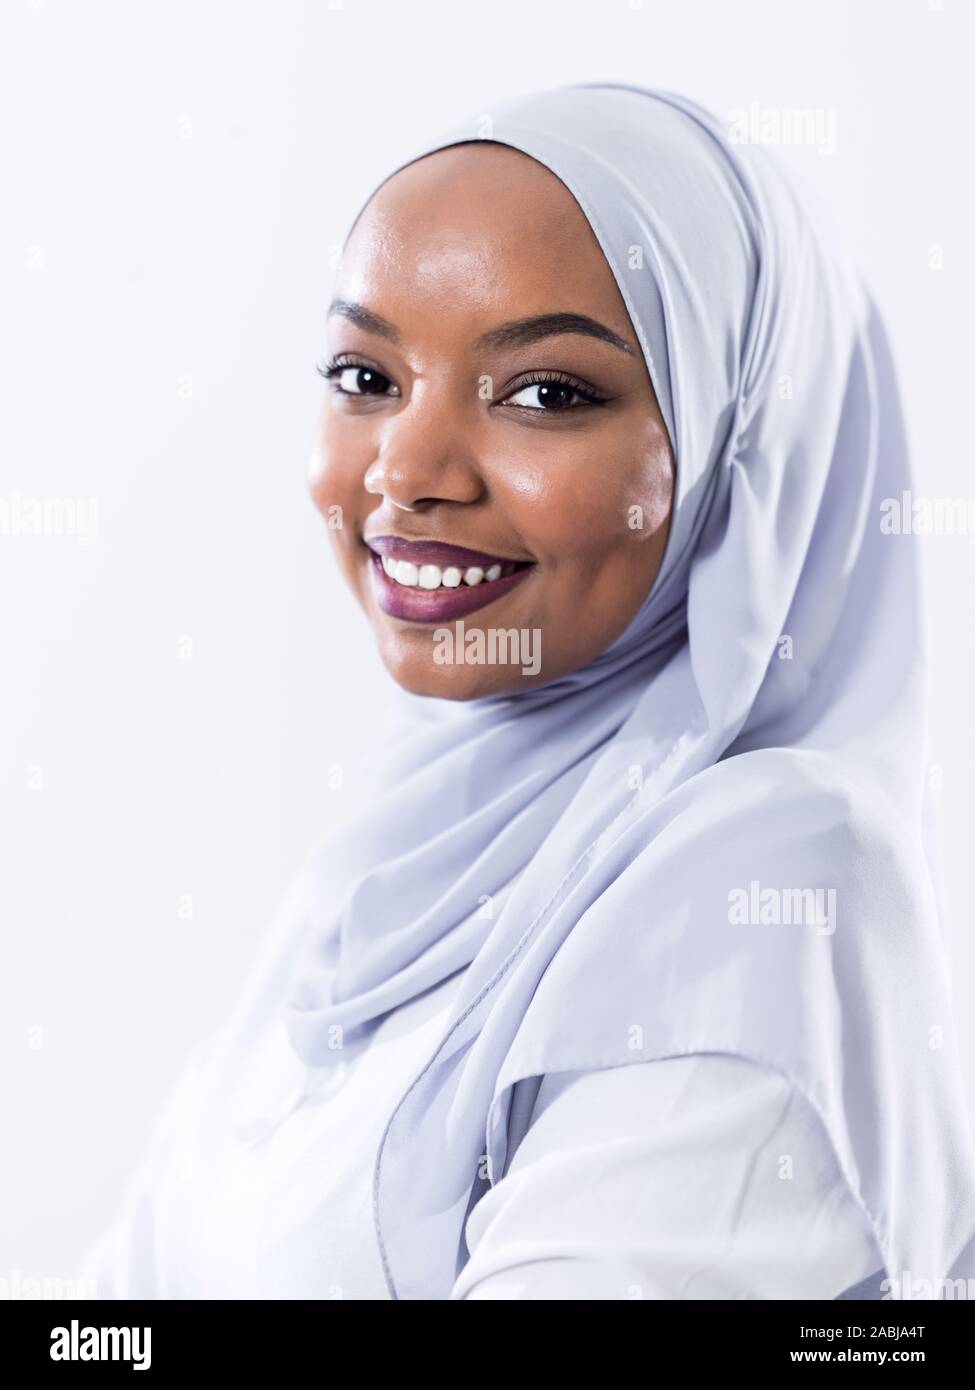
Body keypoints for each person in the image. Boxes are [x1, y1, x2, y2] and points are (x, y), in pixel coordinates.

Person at [79, 81, 975, 1301]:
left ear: (736, 451)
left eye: (547, 392)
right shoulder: (392, 865)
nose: (407, 472)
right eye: (364, 375)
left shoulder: (769, 887)